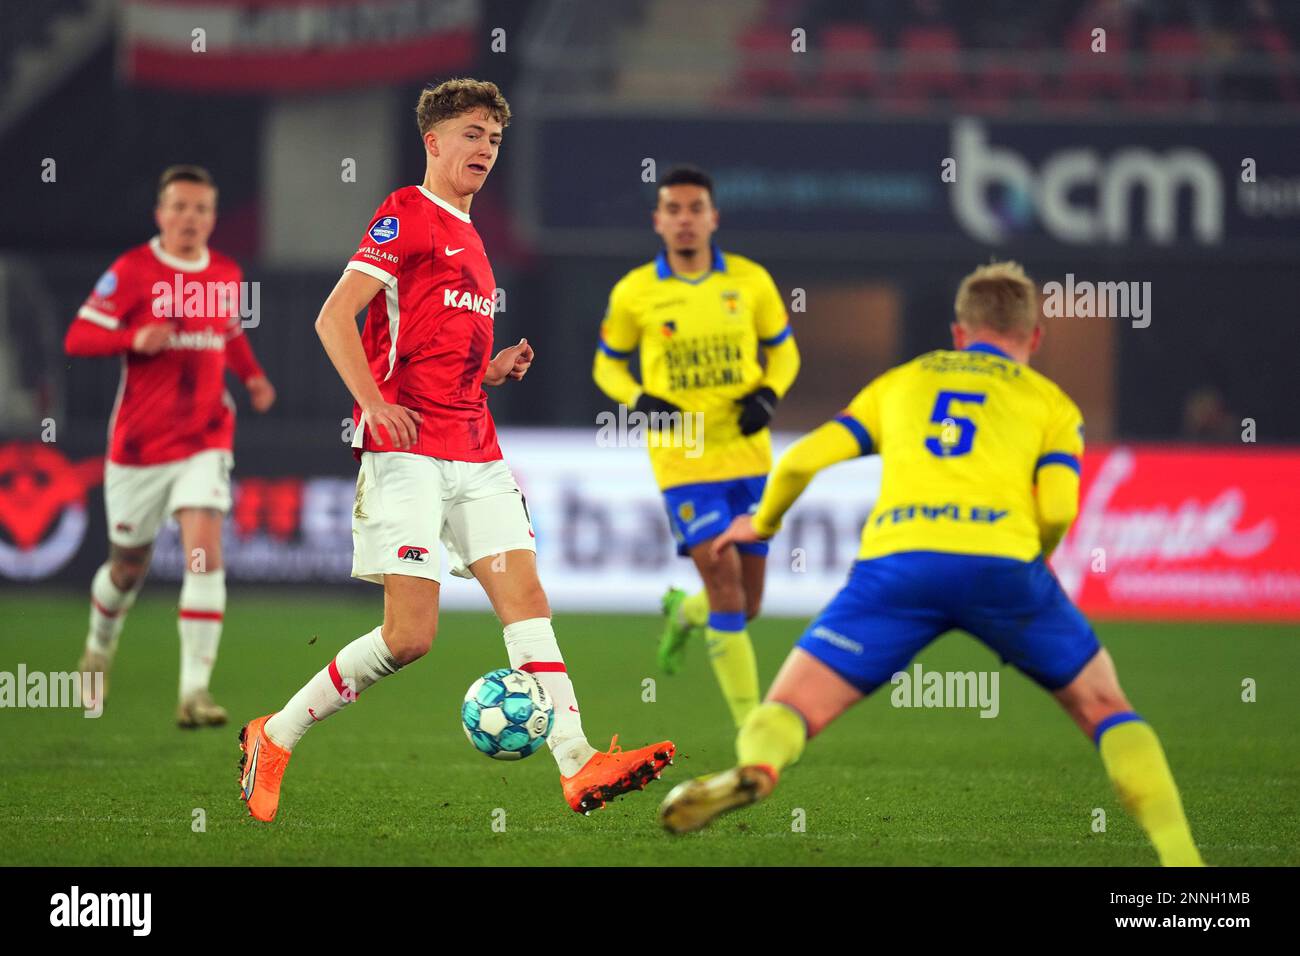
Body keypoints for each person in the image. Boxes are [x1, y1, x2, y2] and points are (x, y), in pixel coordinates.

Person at [658, 261, 1205, 867]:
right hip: (1004, 569)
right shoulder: (1052, 403)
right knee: (1106, 708)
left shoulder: (905, 382)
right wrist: (1038, 559)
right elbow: (1057, 508)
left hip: (898, 567)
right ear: (1035, 337)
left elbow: (801, 461)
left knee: (788, 708)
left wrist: (762, 523)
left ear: (959, 332)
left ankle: (757, 768)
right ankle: (1184, 868)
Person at [239, 78, 674, 822]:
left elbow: (436, 353)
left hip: (476, 448)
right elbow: (332, 317)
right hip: (406, 453)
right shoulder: (405, 214)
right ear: (433, 142)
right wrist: (374, 403)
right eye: (471, 134)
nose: (485, 149)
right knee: (411, 639)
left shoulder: (475, 240)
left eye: (495, 139)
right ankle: (274, 735)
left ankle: (577, 763)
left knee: (527, 600)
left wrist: (490, 370)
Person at [65, 164, 275, 728]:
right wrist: (131, 337)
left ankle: (194, 693)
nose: (190, 218)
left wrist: (251, 377)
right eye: (179, 207)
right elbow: (78, 335)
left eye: (201, 209)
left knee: (203, 551)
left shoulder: (226, 272)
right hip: (138, 446)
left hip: (205, 436)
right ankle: (98, 649)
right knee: (127, 566)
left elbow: (228, 333)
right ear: (161, 214)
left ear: (212, 216)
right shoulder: (133, 270)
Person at [592, 165, 799, 728]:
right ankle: (752, 726)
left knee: (747, 603)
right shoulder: (636, 292)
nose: (685, 220)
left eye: (695, 209)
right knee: (725, 583)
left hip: (749, 455)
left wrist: (769, 394)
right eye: (674, 210)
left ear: (713, 218)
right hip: (682, 459)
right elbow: (606, 365)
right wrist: (639, 398)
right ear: (658, 220)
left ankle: (683, 614)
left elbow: (784, 353)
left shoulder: (750, 282)